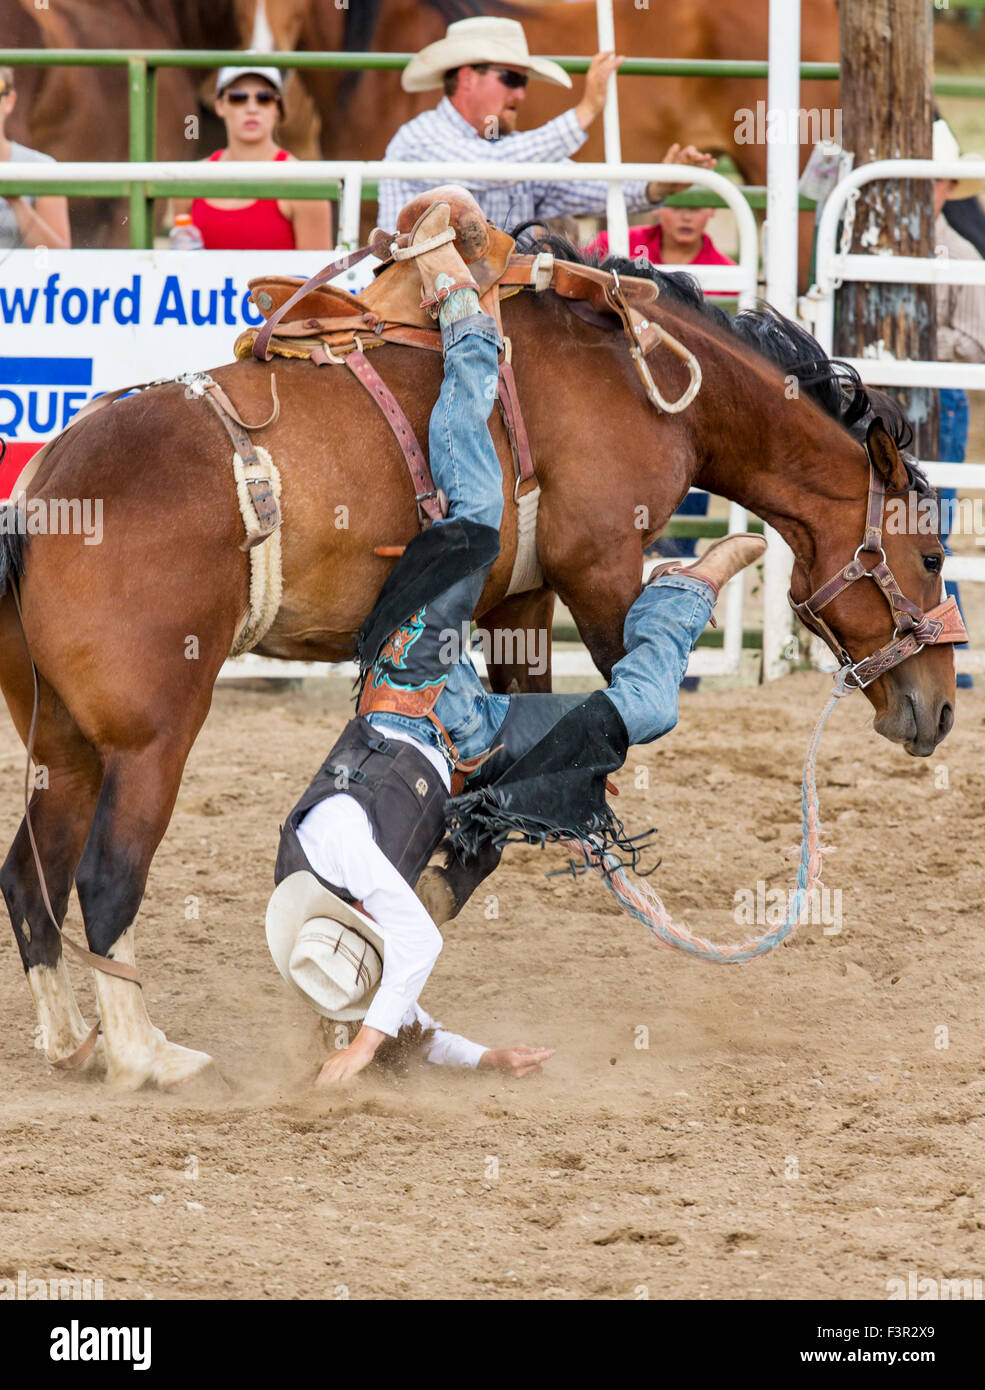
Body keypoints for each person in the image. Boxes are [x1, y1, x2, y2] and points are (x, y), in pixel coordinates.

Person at [264, 187, 766, 1086]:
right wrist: (484, 1056)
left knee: (476, 517)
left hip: (412, 680)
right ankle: (687, 590)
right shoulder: (330, 901)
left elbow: (409, 944)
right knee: (642, 712)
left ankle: (460, 309)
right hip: (473, 747)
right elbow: (405, 994)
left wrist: (358, 1054)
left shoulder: (332, 858)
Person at [377, 16, 713, 233]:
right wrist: (585, 111)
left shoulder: (512, 156)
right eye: (510, 78)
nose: (521, 94)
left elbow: (577, 187)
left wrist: (656, 186)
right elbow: (491, 169)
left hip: (489, 304)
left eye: (524, 82)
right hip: (416, 303)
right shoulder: (419, 138)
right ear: (467, 77)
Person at [931, 118, 985, 689]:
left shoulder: (964, 256)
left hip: (941, 400)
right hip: (885, 402)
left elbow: (975, 345)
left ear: (946, 185)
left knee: (931, 532)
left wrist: (918, 341)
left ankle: (950, 660)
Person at [170, 65, 333, 251]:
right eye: (238, 98)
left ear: (277, 108)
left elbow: (318, 274)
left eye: (264, 98)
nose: (252, 108)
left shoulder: (306, 184)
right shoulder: (190, 180)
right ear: (220, 106)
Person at [587, 195, 736, 287]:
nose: (686, 217)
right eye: (676, 207)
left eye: (695, 208)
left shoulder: (731, 274)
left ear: (712, 209)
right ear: (655, 206)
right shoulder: (609, 243)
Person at [0, 66, 70, 250]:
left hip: (22, 278)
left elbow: (60, 255)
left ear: (9, 101)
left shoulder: (42, 167)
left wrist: (16, 201)